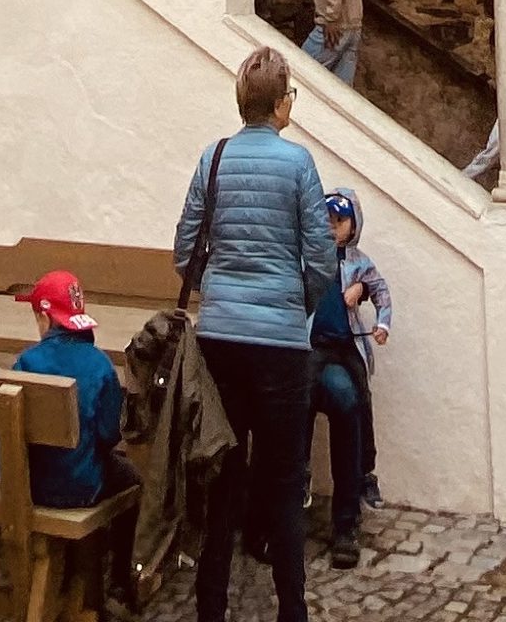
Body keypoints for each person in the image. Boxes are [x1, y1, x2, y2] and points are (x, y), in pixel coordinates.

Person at [175, 47, 337, 622]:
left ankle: (211, 610)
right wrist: (299, 305)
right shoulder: (298, 165)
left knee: (222, 477)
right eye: (290, 95)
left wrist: (214, 291)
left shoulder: (212, 158)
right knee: (285, 480)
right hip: (279, 345)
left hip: (220, 338)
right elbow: (320, 255)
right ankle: (292, 609)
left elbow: (185, 249)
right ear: (278, 102)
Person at [0, 269, 128, 511]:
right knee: (136, 481)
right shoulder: (101, 364)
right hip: (85, 489)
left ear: (44, 317)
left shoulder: (26, 363)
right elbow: (110, 434)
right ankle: (121, 549)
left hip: (33, 489)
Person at [308, 188, 392, 565]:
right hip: (307, 349)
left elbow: (381, 292)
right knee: (291, 406)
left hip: (345, 348)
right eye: (325, 220)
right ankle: (288, 498)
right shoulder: (305, 256)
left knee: (355, 399)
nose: (331, 228)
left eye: (338, 222)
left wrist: (373, 308)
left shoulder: (357, 263)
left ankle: (357, 489)